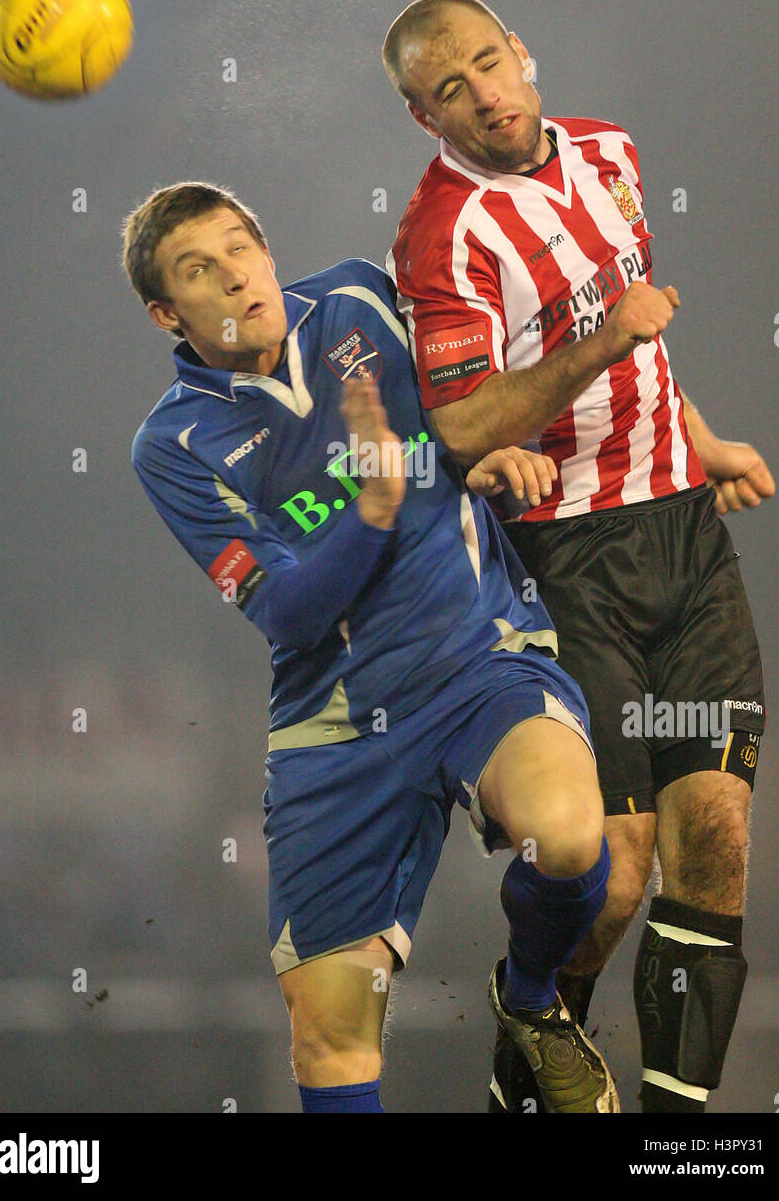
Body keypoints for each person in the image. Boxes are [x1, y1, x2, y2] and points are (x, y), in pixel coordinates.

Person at [123, 181, 619, 1113]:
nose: (233, 277)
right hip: (335, 731)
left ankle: (530, 1001)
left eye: (240, 249)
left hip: (479, 663)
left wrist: (487, 458)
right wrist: (374, 508)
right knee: (331, 1040)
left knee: (570, 836)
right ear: (165, 313)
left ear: (269, 254)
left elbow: (463, 406)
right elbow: (287, 615)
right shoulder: (174, 444)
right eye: (199, 270)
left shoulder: (359, 299)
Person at [382, 0, 774, 1114]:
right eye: (450, 88)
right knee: (613, 872)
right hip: (563, 561)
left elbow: (644, 332)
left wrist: (697, 438)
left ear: (523, 55)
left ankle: (677, 1136)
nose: (484, 93)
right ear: (424, 116)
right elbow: (459, 424)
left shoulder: (608, 154)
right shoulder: (439, 233)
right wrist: (600, 340)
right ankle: (529, 1033)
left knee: (716, 835)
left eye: (490, 62)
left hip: (683, 536)